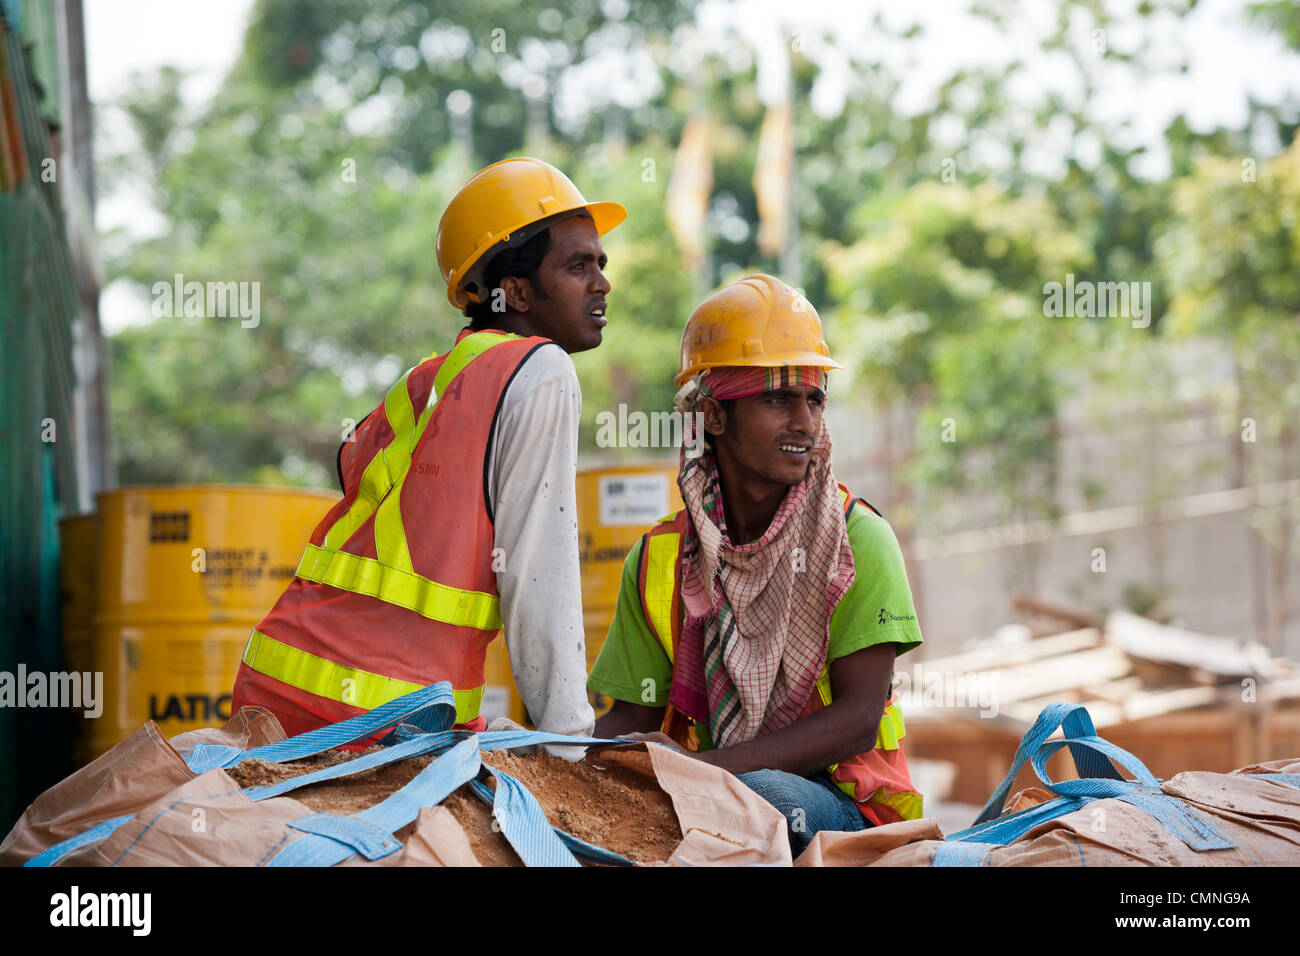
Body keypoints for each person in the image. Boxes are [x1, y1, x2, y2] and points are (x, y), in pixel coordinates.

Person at [232, 158, 625, 756]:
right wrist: (567, 749)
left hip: (277, 689)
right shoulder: (540, 368)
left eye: (600, 264)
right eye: (577, 266)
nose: (602, 283)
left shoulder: (428, 380)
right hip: (375, 714)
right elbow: (538, 572)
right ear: (515, 291)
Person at [589, 274, 925, 853]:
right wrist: (560, 766)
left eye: (814, 398)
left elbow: (858, 718)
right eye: (777, 399)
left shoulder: (856, 538)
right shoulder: (660, 558)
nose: (804, 422)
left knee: (764, 798)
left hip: (844, 805)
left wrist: (707, 771)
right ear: (715, 418)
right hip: (713, 791)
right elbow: (628, 718)